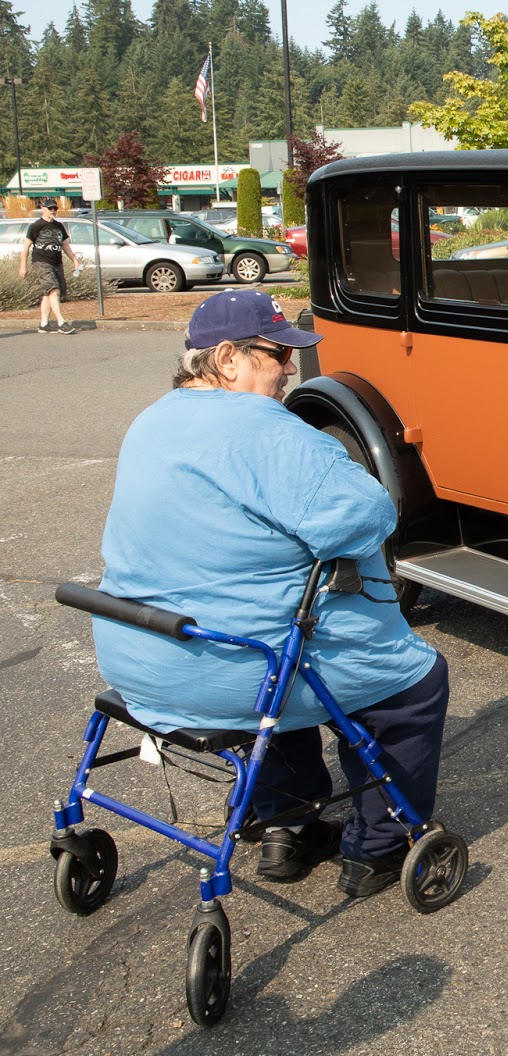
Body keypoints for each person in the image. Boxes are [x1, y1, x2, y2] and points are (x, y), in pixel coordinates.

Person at [91, 290, 448, 897]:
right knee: (411, 682)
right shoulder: (267, 431)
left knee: (276, 658)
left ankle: (288, 825)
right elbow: (368, 516)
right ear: (227, 359)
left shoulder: (150, 420)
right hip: (231, 666)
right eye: (278, 353)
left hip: (140, 655)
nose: (289, 368)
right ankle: (379, 848)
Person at [19, 201, 80, 334]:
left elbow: (65, 245)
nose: (53, 210)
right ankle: (61, 323)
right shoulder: (36, 226)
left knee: (49, 293)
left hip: (56, 262)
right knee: (54, 289)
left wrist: (75, 260)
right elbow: (26, 247)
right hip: (41, 262)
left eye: (55, 208)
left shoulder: (58, 226)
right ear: (43, 209)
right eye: (50, 208)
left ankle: (44, 324)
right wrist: (23, 266)